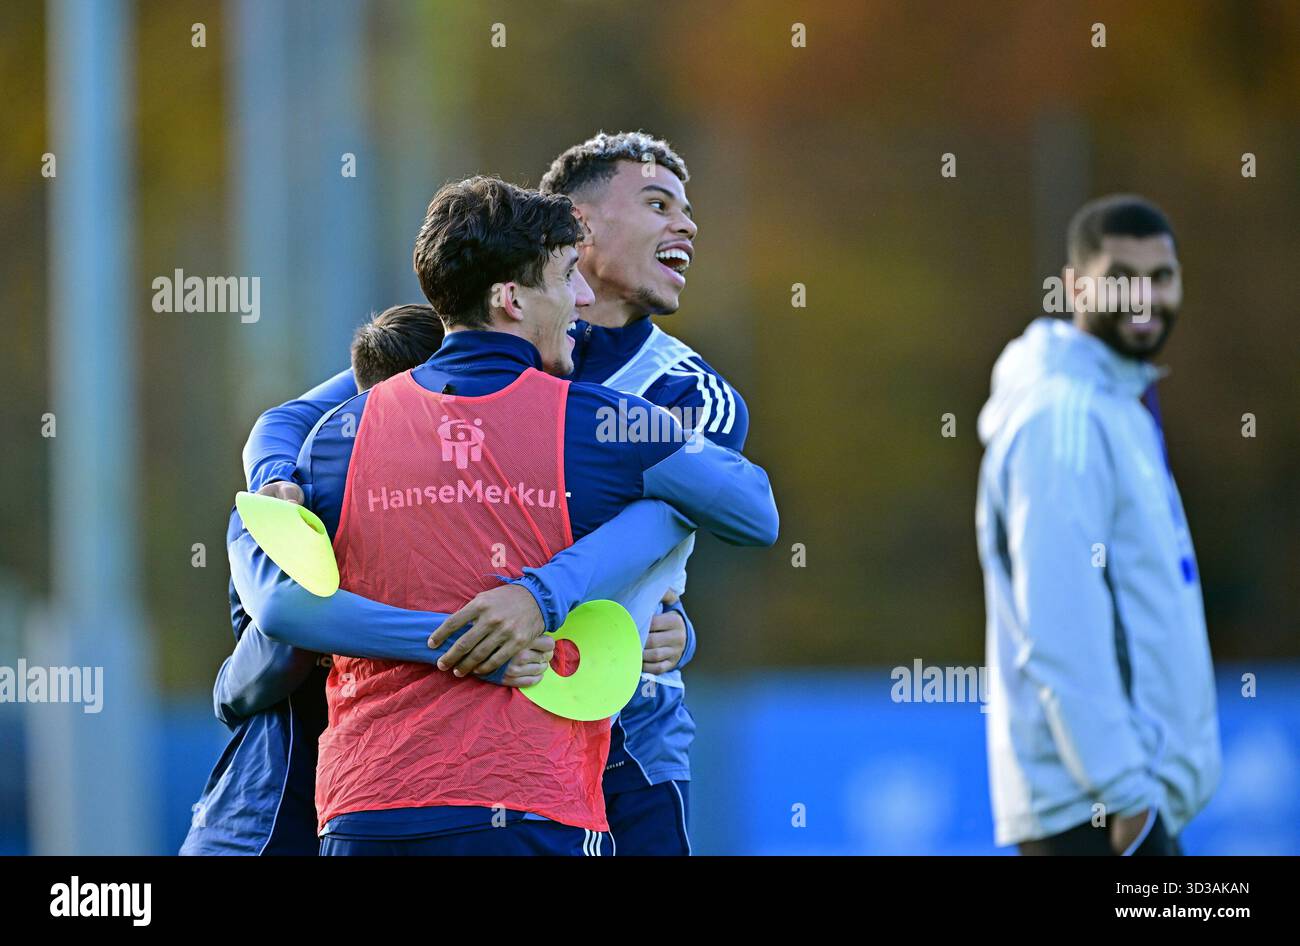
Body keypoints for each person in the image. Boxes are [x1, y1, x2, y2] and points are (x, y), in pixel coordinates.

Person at [237, 176, 778, 855]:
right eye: (564, 278)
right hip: (529, 807)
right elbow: (754, 511)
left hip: (365, 814)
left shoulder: (333, 438)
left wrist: (523, 603)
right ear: (511, 298)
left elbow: (282, 616)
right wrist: (551, 592)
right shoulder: (596, 424)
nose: (581, 300)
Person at [181, 305, 694, 855]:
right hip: (287, 801)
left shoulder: (527, 482)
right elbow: (275, 643)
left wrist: (669, 627)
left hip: (398, 801)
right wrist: (458, 643)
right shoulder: (300, 494)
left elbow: (614, 583)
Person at [975, 194, 1220, 856]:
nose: (1146, 295)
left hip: (1116, 807)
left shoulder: (1117, 406)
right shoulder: (1066, 418)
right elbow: (1061, 623)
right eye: (1123, 277)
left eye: (1162, 277)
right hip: (1096, 815)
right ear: (1077, 286)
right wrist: (1127, 797)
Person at [539, 131, 750, 854]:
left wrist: (667, 627)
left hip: (632, 733)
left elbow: (654, 532)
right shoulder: (488, 341)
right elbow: (301, 418)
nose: (686, 224)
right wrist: (277, 471)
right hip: (486, 719)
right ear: (580, 224)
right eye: (658, 204)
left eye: (688, 211)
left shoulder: (692, 394)